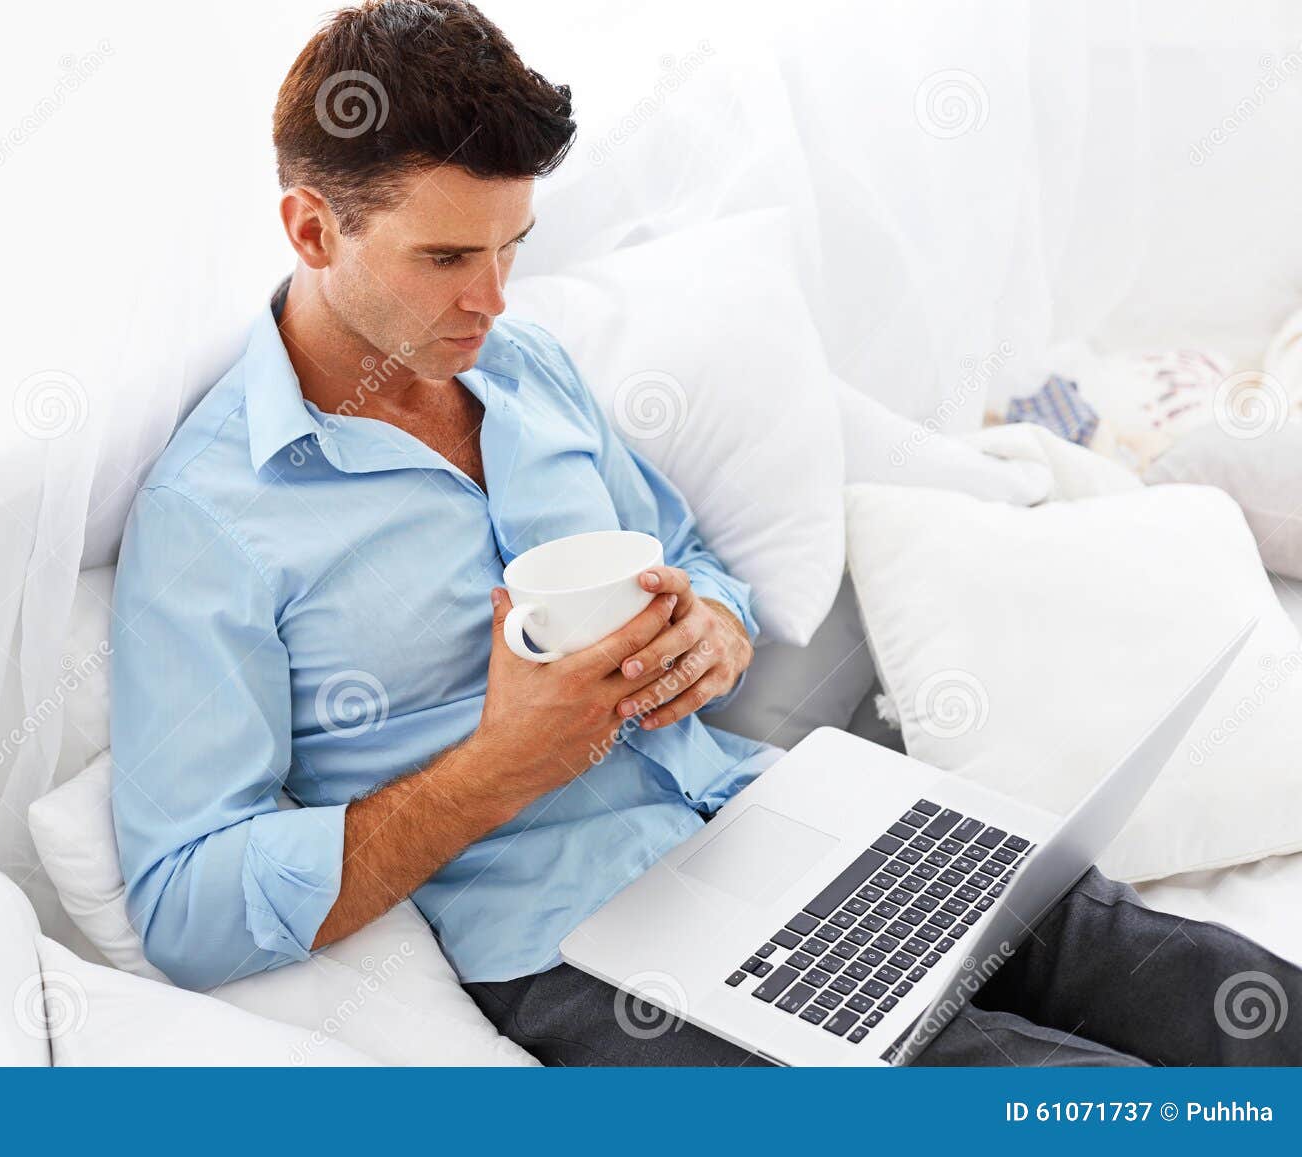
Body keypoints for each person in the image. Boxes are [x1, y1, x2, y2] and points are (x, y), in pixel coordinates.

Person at [109, 0, 1300, 1067]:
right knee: (1042, 1091)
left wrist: (713, 631)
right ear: (312, 230)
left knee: (1179, 970)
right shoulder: (213, 519)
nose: (494, 298)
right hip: (580, 941)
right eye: (446, 258)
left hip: (762, 807)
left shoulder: (523, 371)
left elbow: (689, 558)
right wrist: (497, 766)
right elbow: (184, 899)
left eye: (512, 246)